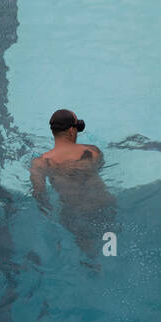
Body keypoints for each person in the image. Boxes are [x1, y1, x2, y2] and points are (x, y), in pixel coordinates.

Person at [30, 109, 116, 262]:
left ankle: (92, 264)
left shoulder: (40, 163)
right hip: (104, 207)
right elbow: (99, 168)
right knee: (111, 253)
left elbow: (39, 195)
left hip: (75, 215)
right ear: (71, 131)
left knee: (89, 255)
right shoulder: (93, 151)